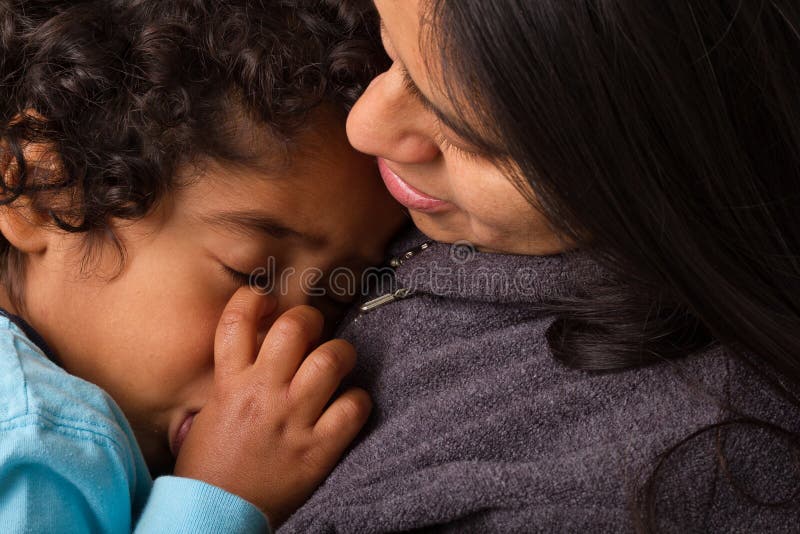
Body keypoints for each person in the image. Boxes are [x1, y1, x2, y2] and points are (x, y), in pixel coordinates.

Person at [281, 0, 800, 532]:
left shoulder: (610, 493)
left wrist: (213, 501)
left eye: (467, 135)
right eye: (389, 47)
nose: (361, 127)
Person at [0, 0, 404, 531]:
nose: (291, 340)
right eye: (252, 274)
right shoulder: (39, 441)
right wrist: (219, 496)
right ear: (45, 190)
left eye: (334, 298)